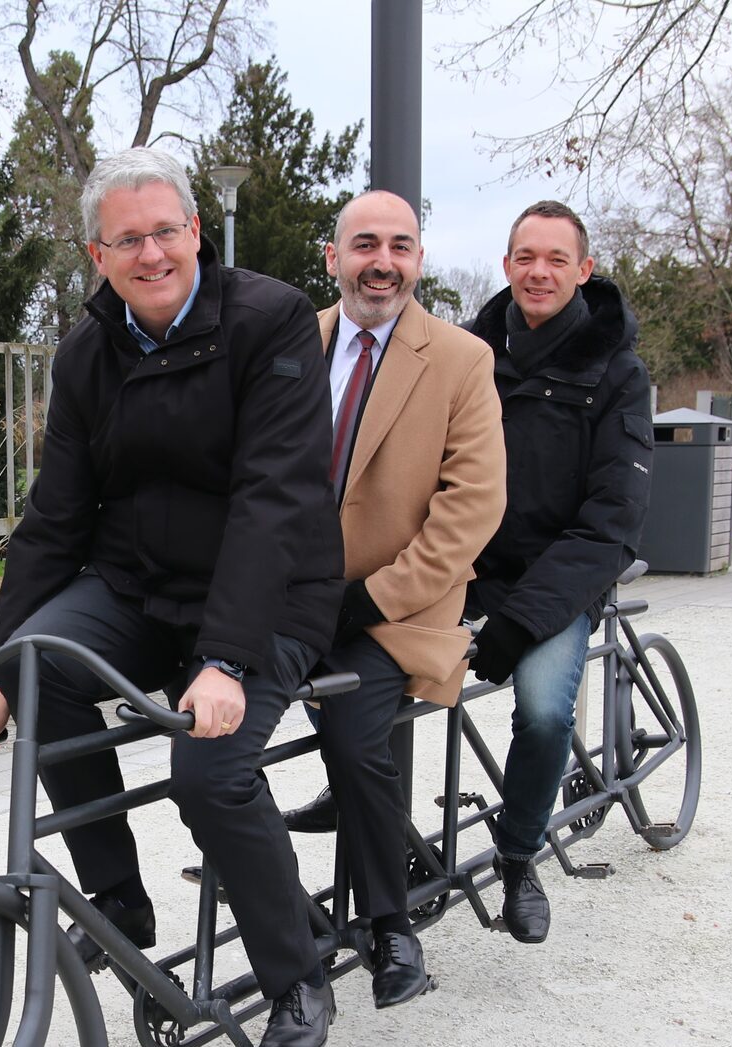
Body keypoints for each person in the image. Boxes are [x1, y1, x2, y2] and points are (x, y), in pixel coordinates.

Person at [0, 147, 342, 1046]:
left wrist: (226, 659)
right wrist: (0, 677)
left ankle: (296, 976)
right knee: (44, 673)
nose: (151, 254)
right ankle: (121, 911)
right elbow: (53, 519)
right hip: (138, 588)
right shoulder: (89, 353)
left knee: (207, 774)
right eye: (128, 240)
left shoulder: (271, 320)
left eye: (166, 231)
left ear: (197, 232)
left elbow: (272, 498)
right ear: (98, 255)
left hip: (269, 594)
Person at [278, 190, 506, 1008]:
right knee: (205, 721)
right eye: (365, 242)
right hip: (290, 598)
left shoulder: (459, 359)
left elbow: (471, 508)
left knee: (351, 728)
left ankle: (388, 926)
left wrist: (369, 597)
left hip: (398, 610)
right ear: (333, 255)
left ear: (418, 259)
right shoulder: (294, 343)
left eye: (400, 245)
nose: (383, 260)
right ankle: (278, 893)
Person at [462, 199, 653, 944]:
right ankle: (358, 818)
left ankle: (518, 854)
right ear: (507, 265)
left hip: (559, 580)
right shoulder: (470, 354)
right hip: (471, 570)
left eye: (555, 259)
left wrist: (521, 619)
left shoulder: (617, 371)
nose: (538, 272)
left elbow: (611, 520)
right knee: (350, 653)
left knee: (543, 710)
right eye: (525, 257)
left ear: (584, 269)